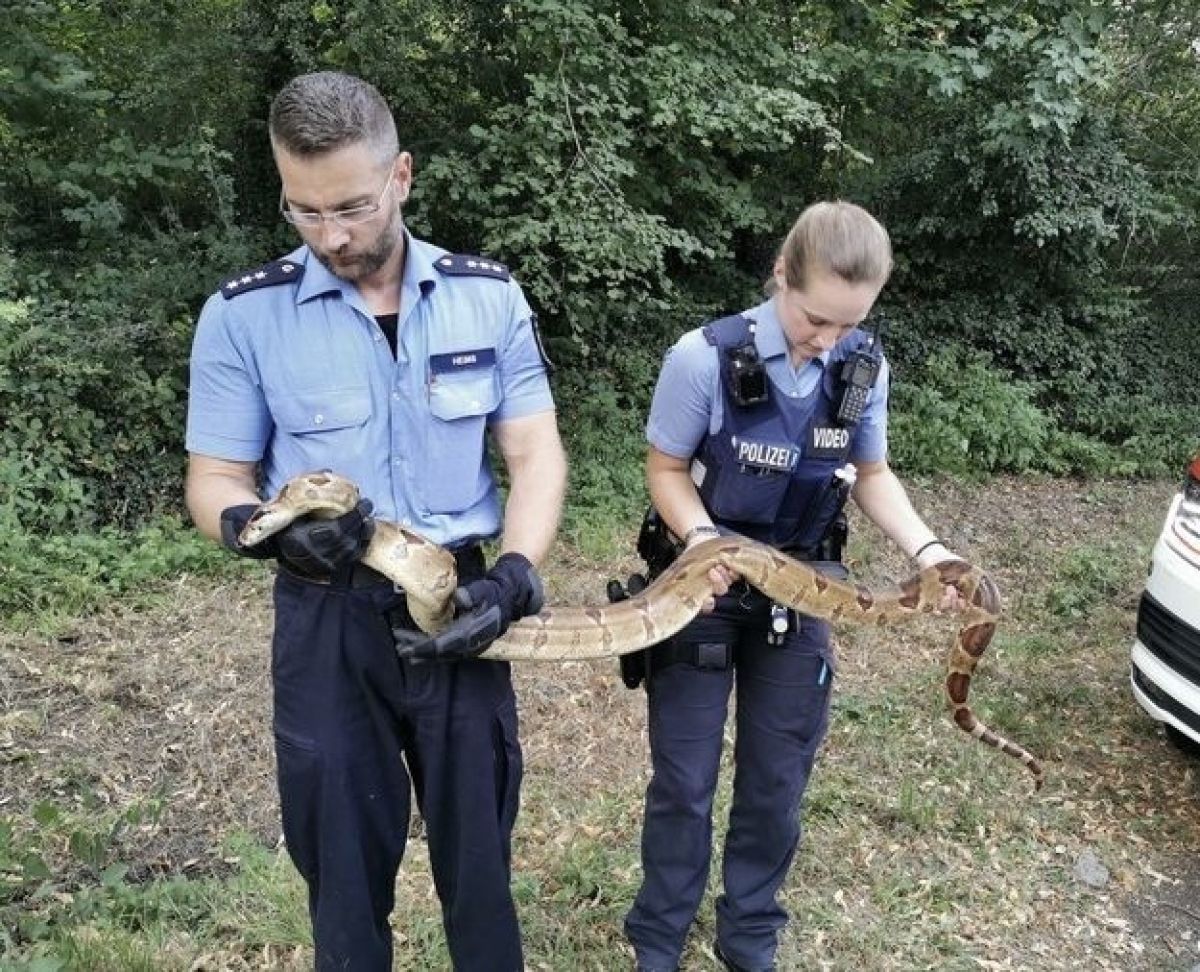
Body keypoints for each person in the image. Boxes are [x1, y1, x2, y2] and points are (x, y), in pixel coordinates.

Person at [184, 71, 567, 971]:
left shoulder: (487, 297)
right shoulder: (241, 316)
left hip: (461, 603)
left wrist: (514, 576)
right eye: (305, 211)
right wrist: (260, 529)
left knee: (481, 861)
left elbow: (536, 457)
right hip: (326, 617)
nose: (332, 236)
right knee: (343, 873)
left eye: (352, 207)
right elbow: (214, 478)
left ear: (401, 176)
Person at [623, 201, 963, 972]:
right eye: (816, 318)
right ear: (782, 272)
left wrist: (929, 551)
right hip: (703, 588)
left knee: (777, 778)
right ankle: (658, 936)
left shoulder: (863, 368)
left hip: (804, 588)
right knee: (684, 781)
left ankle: (748, 935)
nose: (828, 339)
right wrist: (702, 541)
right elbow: (665, 469)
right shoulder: (702, 358)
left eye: (850, 324)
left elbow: (871, 474)